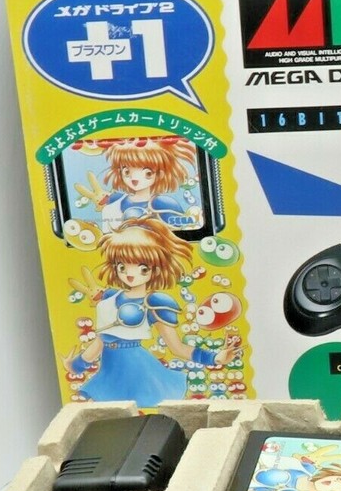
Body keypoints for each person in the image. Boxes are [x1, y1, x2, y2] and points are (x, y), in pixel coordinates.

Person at [64, 217, 239, 404]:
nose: (130, 274)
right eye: (122, 266)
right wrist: (75, 365)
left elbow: (177, 348)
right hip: (109, 372)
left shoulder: (155, 302)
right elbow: (100, 341)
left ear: (155, 270)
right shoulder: (110, 298)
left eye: (142, 268)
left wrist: (215, 358)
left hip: (140, 372)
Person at [76, 136, 201, 230]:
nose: (134, 178)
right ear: (120, 172)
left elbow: (182, 230)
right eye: (127, 171)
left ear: (160, 175)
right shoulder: (116, 200)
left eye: (147, 173)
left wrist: (191, 219)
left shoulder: (163, 203)